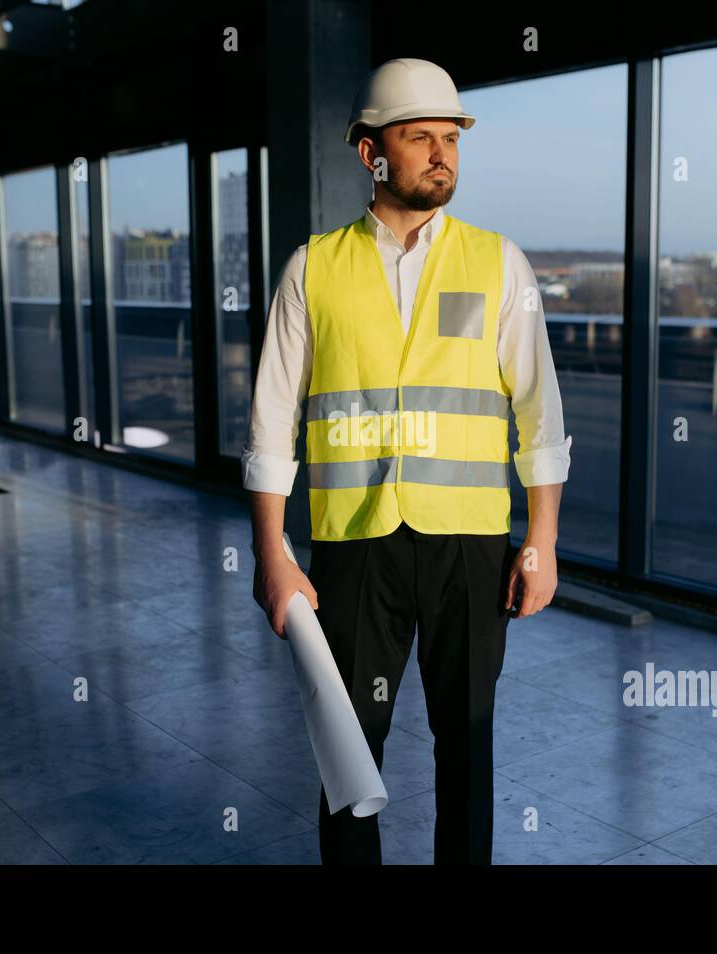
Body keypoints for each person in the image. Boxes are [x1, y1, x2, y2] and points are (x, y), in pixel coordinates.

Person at [244, 57, 571, 864]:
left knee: (467, 742)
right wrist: (271, 554)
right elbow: (272, 422)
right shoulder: (312, 268)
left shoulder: (500, 264)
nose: (440, 153)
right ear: (371, 153)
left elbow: (541, 415)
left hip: (469, 545)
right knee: (347, 752)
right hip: (353, 548)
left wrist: (542, 541)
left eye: (450, 137)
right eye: (419, 136)